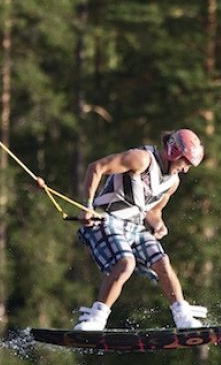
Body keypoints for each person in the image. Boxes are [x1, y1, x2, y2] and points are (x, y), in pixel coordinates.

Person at [74, 128, 208, 331]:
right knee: (125, 263)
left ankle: (183, 317)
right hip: (105, 220)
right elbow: (96, 167)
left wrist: (158, 223)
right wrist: (87, 206)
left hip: (134, 228)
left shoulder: (173, 182)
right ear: (174, 152)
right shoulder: (141, 159)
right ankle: (95, 319)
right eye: (185, 163)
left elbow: (153, 211)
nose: (186, 169)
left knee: (162, 262)